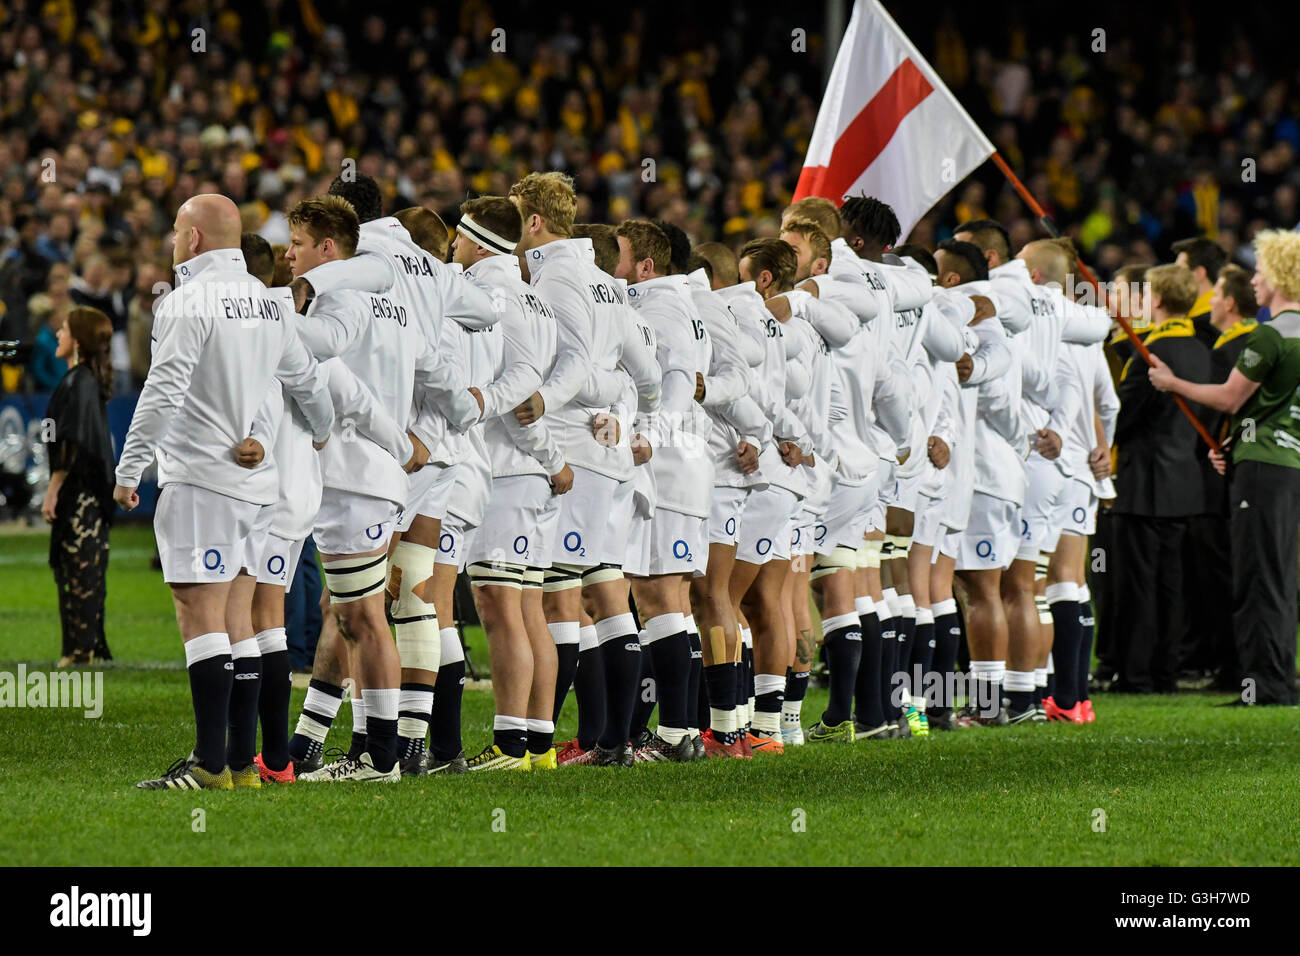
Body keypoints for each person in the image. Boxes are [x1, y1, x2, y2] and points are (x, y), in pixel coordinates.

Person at [115, 194, 334, 791]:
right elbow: (307, 383)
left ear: (191, 239)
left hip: (202, 482)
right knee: (240, 619)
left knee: (201, 614)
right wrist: (318, 432)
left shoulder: (186, 302)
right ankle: (241, 763)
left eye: (175, 233)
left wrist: (129, 468)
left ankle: (209, 765)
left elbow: (162, 392)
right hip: (257, 491)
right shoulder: (269, 306)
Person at [1148, 229, 1300, 706]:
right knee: (1278, 574)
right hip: (1285, 462)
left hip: (1263, 469)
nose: (1253, 279)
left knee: (1255, 576)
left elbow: (1231, 395)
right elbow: (1274, 404)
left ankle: (1264, 687)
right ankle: (1280, 678)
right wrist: (1238, 438)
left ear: (1279, 274)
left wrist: (1174, 383)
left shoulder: (1271, 334)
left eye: (1260, 270)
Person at [1109, 263, 1210, 694]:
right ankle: (1165, 671)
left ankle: (1136, 674)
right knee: (1171, 583)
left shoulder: (1149, 353)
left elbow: (1122, 419)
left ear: (1159, 300)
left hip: (1144, 482)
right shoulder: (1202, 350)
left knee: (1139, 584)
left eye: (1146, 293)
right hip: (1183, 481)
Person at [42, 306, 116, 666]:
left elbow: (71, 439)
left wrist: (53, 487)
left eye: (64, 329)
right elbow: (59, 433)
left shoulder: (79, 382)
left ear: (77, 341)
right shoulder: (79, 380)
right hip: (84, 492)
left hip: (80, 494)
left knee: (81, 566)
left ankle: (82, 648)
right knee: (77, 566)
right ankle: (81, 645)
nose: (58, 333)